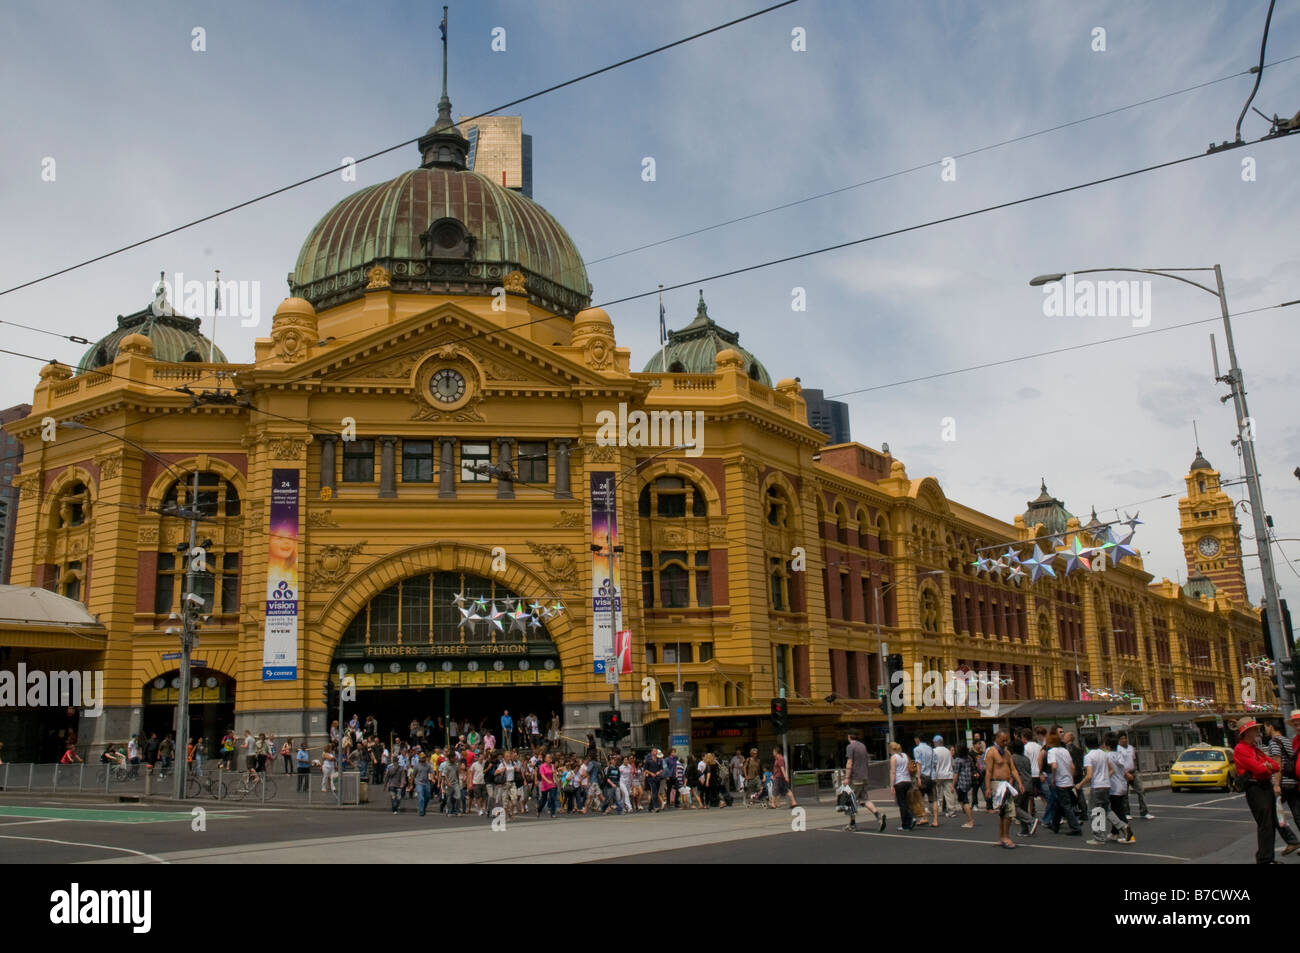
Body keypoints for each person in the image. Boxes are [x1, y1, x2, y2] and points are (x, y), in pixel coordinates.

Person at [1234, 718, 1282, 863]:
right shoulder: (1241, 749)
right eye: (1254, 729)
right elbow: (1259, 769)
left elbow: (1275, 766)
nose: (1257, 731)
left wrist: (1266, 766)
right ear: (1246, 732)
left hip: (1264, 786)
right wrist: (1266, 766)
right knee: (1265, 824)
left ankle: (1267, 857)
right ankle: (1264, 859)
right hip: (1255, 788)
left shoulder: (1254, 748)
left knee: (1270, 823)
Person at [1076, 732, 1130, 846]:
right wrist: (1105, 777)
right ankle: (1123, 826)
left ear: (1086, 744)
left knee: (1094, 811)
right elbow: (1112, 769)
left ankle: (1098, 838)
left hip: (1097, 786)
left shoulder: (1088, 756)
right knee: (1106, 809)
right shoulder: (1104, 754)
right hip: (1106, 785)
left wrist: (1080, 784)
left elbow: (1089, 775)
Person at [1267, 716, 1300, 855]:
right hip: (1294, 782)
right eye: (1295, 725)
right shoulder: (1289, 740)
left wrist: (1276, 784)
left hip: (1283, 782)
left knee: (1274, 813)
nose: (1297, 727)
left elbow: (1277, 763)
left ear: (1270, 726)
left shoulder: (1274, 742)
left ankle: (1292, 840)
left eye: (1265, 727)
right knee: (1298, 814)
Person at [984, 730, 1022, 849]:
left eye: (1006, 740)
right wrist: (988, 787)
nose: (1005, 742)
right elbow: (988, 771)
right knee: (1008, 810)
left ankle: (1002, 836)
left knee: (1003, 812)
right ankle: (1005, 837)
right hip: (997, 783)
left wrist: (1020, 782)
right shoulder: (991, 752)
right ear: (997, 738)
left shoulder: (1007, 753)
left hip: (1006, 783)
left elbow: (1013, 769)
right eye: (1003, 740)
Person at [843, 730, 886, 832]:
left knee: (850, 801)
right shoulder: (862, 746)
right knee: (864, 799)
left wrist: (847, 777)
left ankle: (852, 824)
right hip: (864, 776)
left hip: (855, 777)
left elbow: (849, 762)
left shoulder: (850, 747)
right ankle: (878, 816)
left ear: (849, 736)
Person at [1043, 732, 1081, 835]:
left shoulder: (1052, 752)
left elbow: (1054, 766)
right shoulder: (1065, 751)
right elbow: (1072, 766)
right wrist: (1071, 778)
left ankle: (1075, 827)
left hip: (1060, 781)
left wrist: (1054, 778)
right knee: (1059, 803)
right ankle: (1055, 825)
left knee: (1065, 805)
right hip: (1068, 780)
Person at [1115, 731, 1154, 819]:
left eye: (1125, 738)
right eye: (1121, 739)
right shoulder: (1117, 749)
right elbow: (1118, 763)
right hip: (1124, 773)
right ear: (1118, 740)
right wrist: (1125, 773)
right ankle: (1126, 812)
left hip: (1133, 772)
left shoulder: (1131, 748)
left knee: (1141, 790)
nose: (1124, 740)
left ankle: (1144, 812)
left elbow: (1134, 759)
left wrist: (1135, 769)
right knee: (1125, 794)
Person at [889, 741, 915, 831]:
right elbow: (910, 766)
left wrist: (892, 785)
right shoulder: (905, 755)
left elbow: (893, 772)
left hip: (899, 781)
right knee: (906, 802)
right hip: (907, 780)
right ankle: (909, 820)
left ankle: (907, 822)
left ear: (891, 749)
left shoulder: (893, 758)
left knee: (902, 803)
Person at [931, 734, 955, 825]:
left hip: (937, 775)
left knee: (936, 793)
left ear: (936, 742)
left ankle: (937, 808)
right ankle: (951, 810)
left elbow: (933, 764)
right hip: (948, 774)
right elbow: (952, 763)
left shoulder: (934, 751)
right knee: (949, 793)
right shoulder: (948, 751)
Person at [952, 743, 975, 829]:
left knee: (965, 801)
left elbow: (956, 774)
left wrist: (953, 785)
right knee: (962, 799)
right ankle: (969, 818)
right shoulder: (969, 758)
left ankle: (970, 820)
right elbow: (973, 768)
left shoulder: (958, 760)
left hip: (961, 782)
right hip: (968, 781)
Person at [912, 734, 935, 820]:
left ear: (917, 739)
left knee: (919, 797)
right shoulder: (931, 749)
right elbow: (934, 762)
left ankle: (923, 817)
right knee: (932, 797)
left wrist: (918, 777)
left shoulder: (917, 749)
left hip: (923, 775)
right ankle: (935, 818)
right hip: (931, 775)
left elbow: (918, 763)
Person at [413, 752, 434, 816]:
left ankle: (423, 808)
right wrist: (412, 784)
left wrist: (432, 779)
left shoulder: (428, 765)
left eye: (424, 757)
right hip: (419, 783)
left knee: (427, 797)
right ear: (419, 758)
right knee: (421, 797)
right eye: (422, 758)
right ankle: (421, 811)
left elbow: (431, 772)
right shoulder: (416, 765)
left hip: (426, 782)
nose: (423, 759)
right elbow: (414, 774)